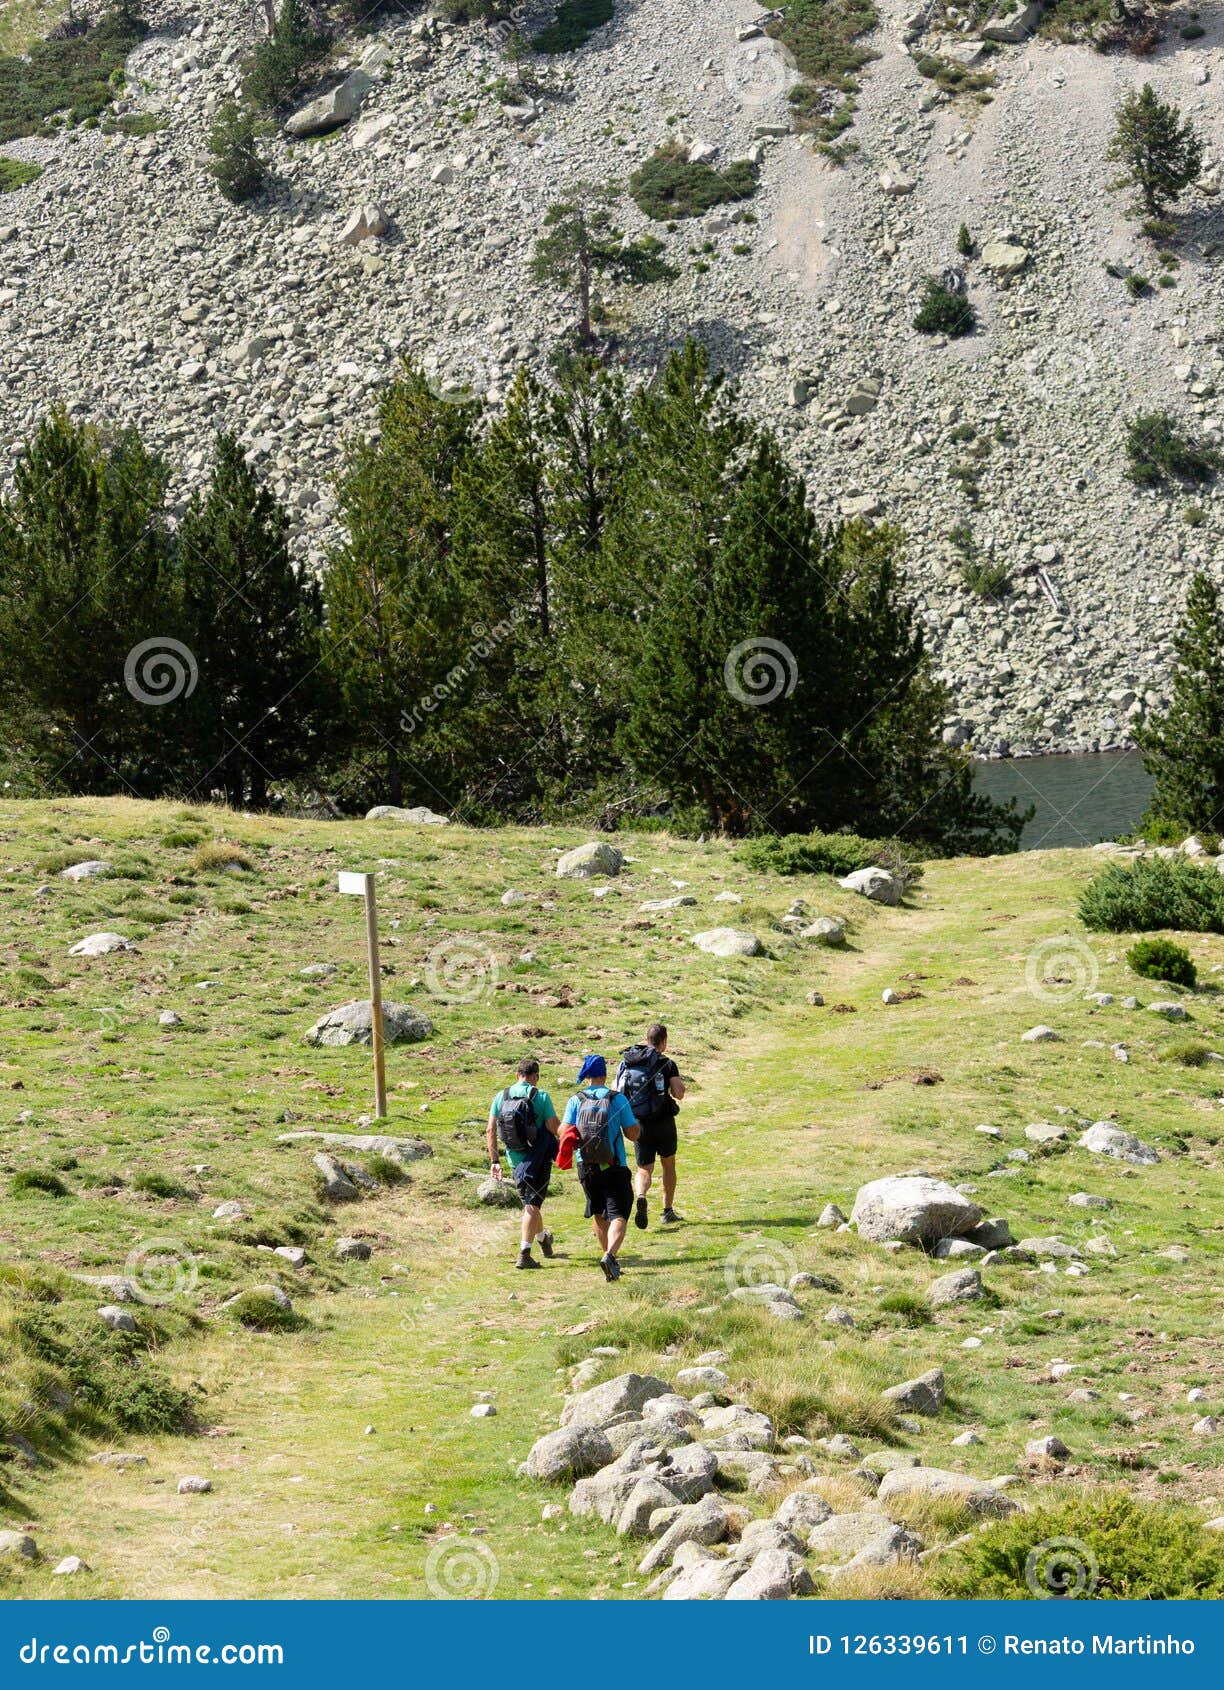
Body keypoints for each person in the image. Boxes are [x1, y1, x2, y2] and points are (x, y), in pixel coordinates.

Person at [561, 1054, 639, 1282]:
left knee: (598, 1211)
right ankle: (610, 1256)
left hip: (586, 1165)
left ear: (587, 1077)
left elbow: (563, 1131)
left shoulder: (576, 1100)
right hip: (614, 1165)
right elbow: (633, 1134)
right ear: (605, 1075)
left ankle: (608, 1257)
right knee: (619, 1214)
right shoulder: (617, 1099)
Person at [486, 1057, 560, 1270]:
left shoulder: (501, 1096)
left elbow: (490, 1130)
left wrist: (494, 1161)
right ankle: (524, 1254)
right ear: (536, 1076)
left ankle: (543, 1239)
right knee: (532, 1205)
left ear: (517, 1075)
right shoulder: (541, 1096)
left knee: (531, 1202)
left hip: (514, 1160)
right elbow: (553, 1127)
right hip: (538, 1160)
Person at [617, 1022, 685, 1230]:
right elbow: (679, 1093)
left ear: (647, 1040)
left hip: (639, 1124)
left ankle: (641, 1195)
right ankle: (667, 1211)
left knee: (644, 1168)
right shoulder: (667, 1063)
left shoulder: (629, 1062)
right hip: (664, 1122)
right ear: (664, 1041)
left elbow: (617, 1090)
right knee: (668, 1164)